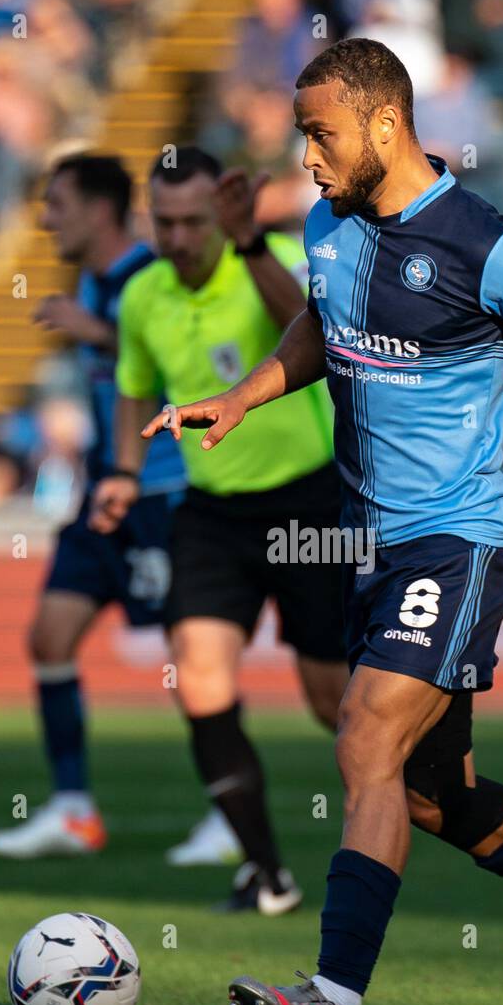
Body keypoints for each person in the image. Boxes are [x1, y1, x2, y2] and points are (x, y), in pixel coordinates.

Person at [145, 40, 503, 1005]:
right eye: (303, 133)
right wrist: (245, 397)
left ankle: (334, 1002)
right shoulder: (330, 225)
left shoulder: (495, 247)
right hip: (371, 547)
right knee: (438, 797)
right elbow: (319, 326)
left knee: (364, 739)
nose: (307, 155)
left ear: (387, 124)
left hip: (462, 539)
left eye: (321, 132)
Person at [90, 147, 349, 914]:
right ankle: (266, 873)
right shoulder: (141, 295)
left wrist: (244, 245)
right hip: (210, 512)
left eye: (190, 221)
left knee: (330, 702)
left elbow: (312, 336)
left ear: (221, 214)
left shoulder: (267, 261)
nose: (175, 237)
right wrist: (123, 472)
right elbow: (134, 391)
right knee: (198, 675)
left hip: (310, 503)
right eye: (162, 222)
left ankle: (424, 803)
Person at [0, 153, 229, 859]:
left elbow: (193, 362)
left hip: (161, 491)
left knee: (193, 655)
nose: (45, 217)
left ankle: (228, 814)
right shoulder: (90, 281)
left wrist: (96, 334)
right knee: (49, 636)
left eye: (56, 203)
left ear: (97, 210)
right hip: (103, 493)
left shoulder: (154, 276)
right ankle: (72, 808)